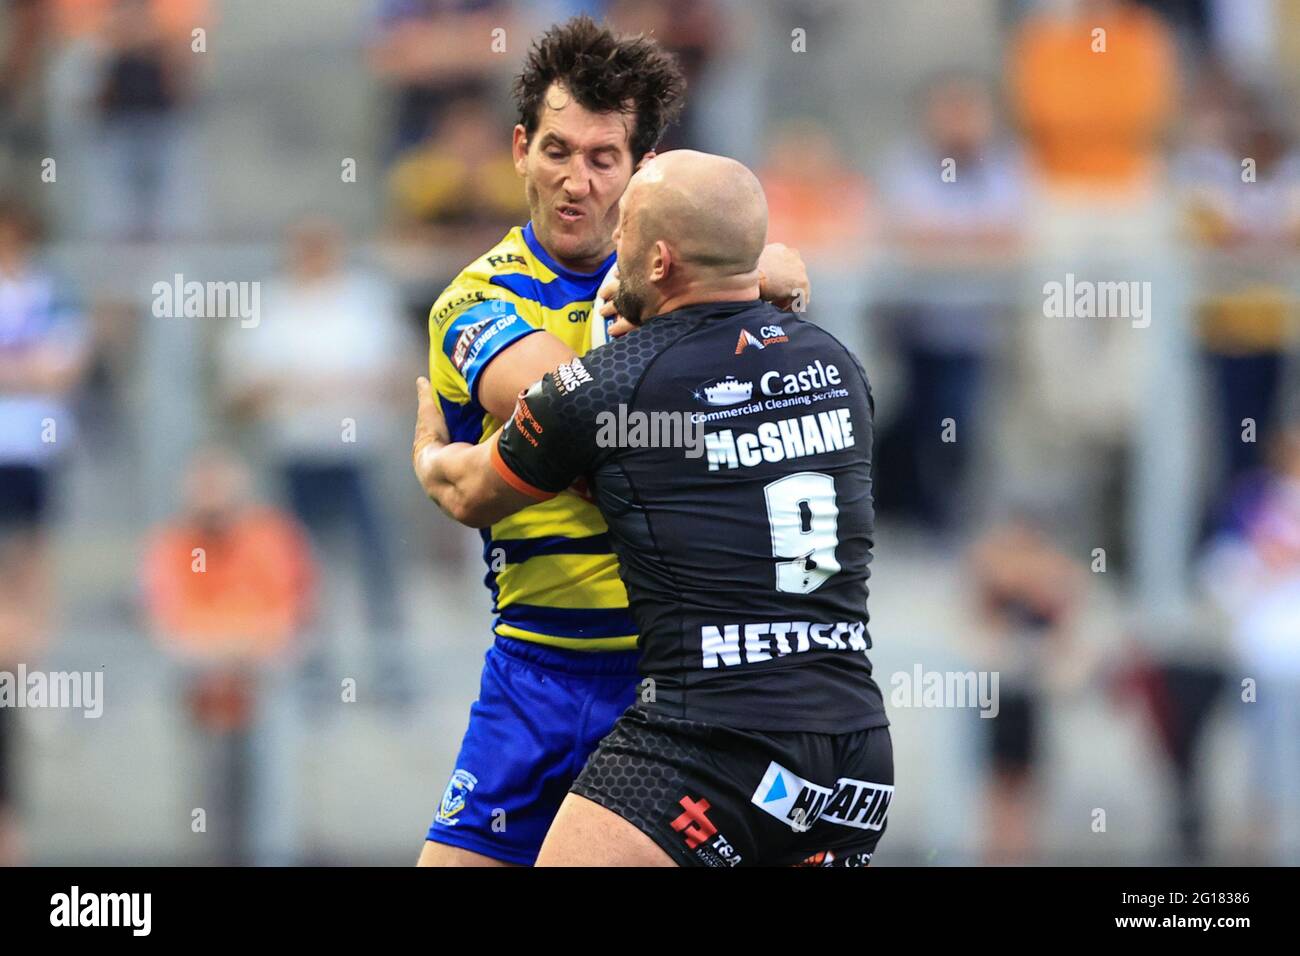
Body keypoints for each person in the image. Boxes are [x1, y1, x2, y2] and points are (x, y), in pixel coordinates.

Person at [415, 150, 890, 867]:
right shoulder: (838, 365)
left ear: (660, 262)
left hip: (706, 744)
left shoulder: (608, 389)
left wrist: (428, 451)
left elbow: (467, 491)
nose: (614, 244)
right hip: (854, 756)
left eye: (627, 230)